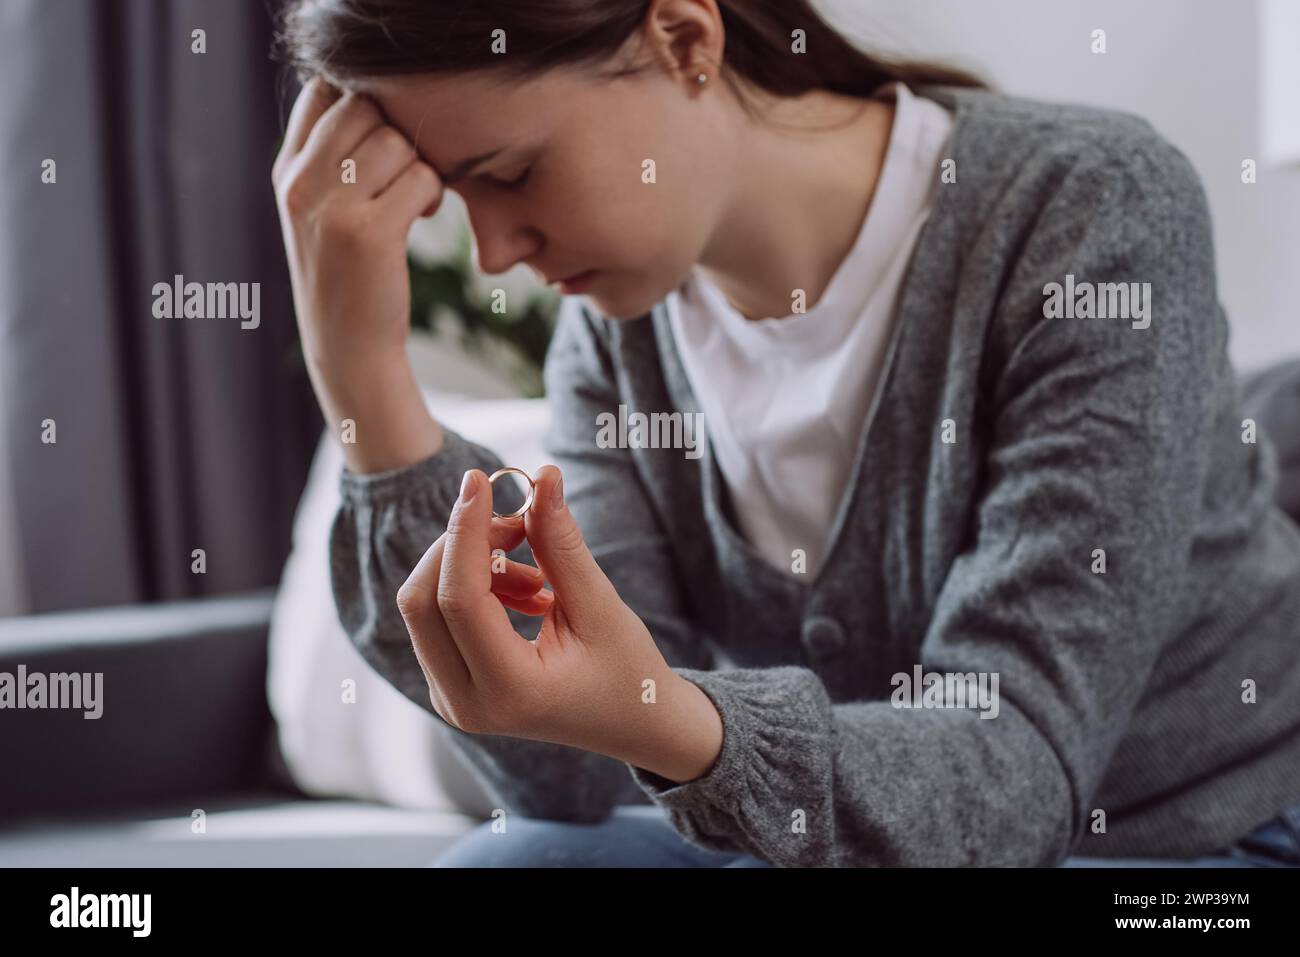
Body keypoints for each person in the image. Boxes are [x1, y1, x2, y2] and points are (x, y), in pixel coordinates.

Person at [271, 0, 1300, 867]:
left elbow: (1020, 764)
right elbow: (576, 783)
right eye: (456, 195)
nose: (494, 254)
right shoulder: (615, 340)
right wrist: (365, 387)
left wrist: (660, 716)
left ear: (682, 39)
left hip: (1186, 848)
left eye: (509, 171)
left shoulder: (1086, 208)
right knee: (511, 863)